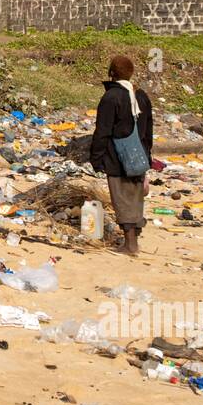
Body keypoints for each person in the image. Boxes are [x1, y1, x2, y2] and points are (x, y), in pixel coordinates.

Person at [89, 55, 154, 255]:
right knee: (135, 196)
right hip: (139, 155)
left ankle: (130, 244)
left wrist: (96, 158)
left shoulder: (111, 97)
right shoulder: (141, 95)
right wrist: (147, 156)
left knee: (121, 199)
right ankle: (135, 236)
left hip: (117, 158)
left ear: (112, 74)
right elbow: (149, 129)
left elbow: (103, 131)